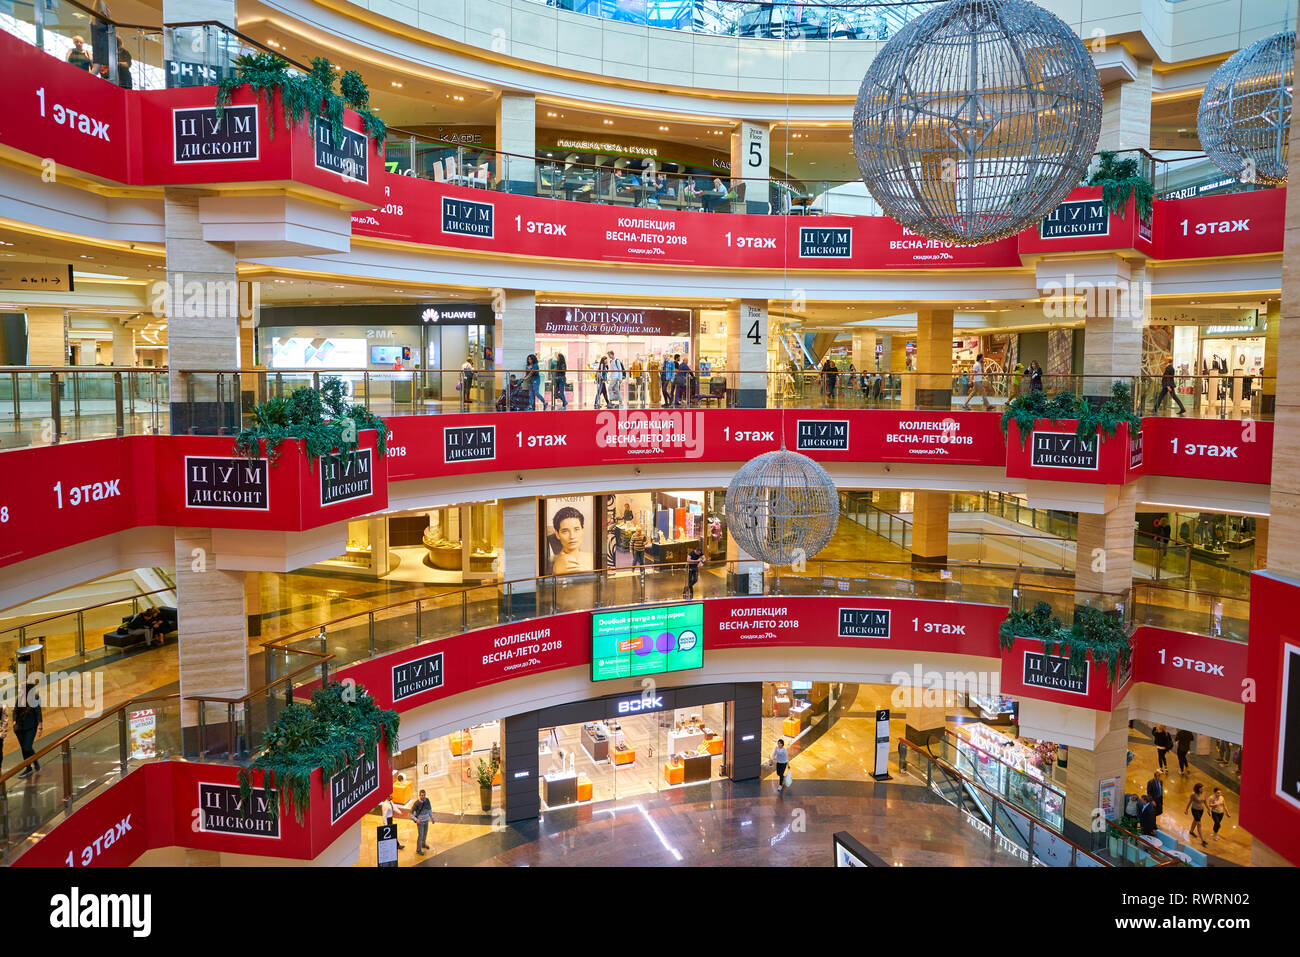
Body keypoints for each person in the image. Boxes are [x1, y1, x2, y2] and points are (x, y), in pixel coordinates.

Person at [13, 680, 43, 777]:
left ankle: (31, 765)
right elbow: (15, 711)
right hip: (19, 728)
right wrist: (14, 722)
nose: (19, 689)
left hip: (30, 727)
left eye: (21, 688)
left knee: (28, 747)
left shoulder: (35, 698)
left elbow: (38, 712)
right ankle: (30, 766)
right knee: (24, 748)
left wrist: (40, 727)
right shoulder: (20, 698)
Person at [551, 506, 587, 574]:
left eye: (576, 529)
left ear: (582, 530)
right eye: (565, 531)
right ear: (557, 534)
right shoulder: (567, 564)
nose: (572, 536)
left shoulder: (590, 556)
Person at [409, 789, 433, 856]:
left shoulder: (427, 800)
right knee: (420, 835)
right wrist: (416, 819)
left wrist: (432, 818)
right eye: (422, 795)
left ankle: (423, 844)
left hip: (426, 821)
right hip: (420, 822)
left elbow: (429, 810)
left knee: (425, 834)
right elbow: (410, 813)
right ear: (419, 795)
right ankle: (418, 850)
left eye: (424, 795)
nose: (423, 796)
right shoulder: (416, 803)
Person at [1185, 782, 1207, 846]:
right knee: (1199, 824)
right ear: (1198, 789)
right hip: (1195, 810)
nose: (1202, 790)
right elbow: (1190, 802)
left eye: (1203, 789)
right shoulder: (1193, 794)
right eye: (1201, 789)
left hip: (1201, 810)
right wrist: (1186, 809)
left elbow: (1205, 802)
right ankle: (1203, 840)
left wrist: (1209, 809)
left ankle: (1191, 831)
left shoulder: (1204, 794)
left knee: (1195, 820)